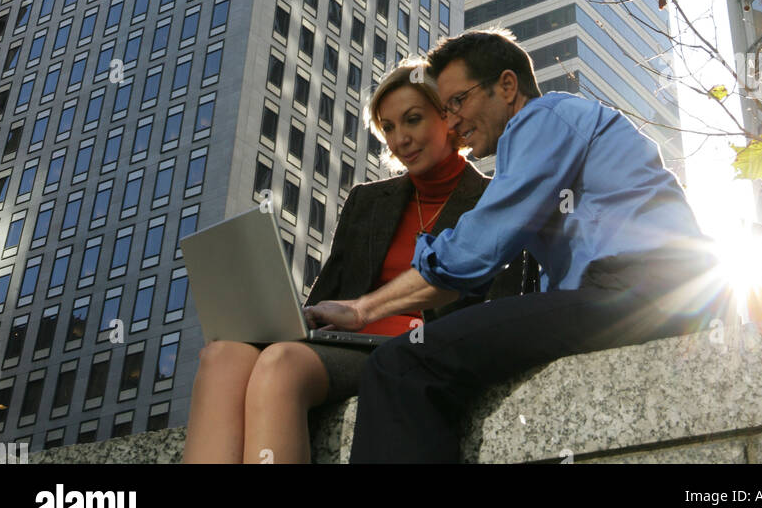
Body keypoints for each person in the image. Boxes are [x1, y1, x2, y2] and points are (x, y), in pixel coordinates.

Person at [304, 28, 733, 464]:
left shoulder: (543, 119)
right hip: (639, 294)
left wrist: (363, 310)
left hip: (640, 291)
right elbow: (464, 277)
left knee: (401, 365)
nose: (451, 122)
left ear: (507, 86)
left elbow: (472, 255)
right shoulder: (542, 141)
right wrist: (364, 311)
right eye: (446, 109)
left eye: (458, 102)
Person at [181, 56, 534, 464]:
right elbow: (327, 295)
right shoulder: (368, 201)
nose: (400, 138)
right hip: (346, 345)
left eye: (413, 119)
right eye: (389, 127)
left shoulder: (495, 199)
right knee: (223, 356)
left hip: (417, 353)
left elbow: (502, 311)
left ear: (448, 117)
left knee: (280, 364)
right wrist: (274, 323)